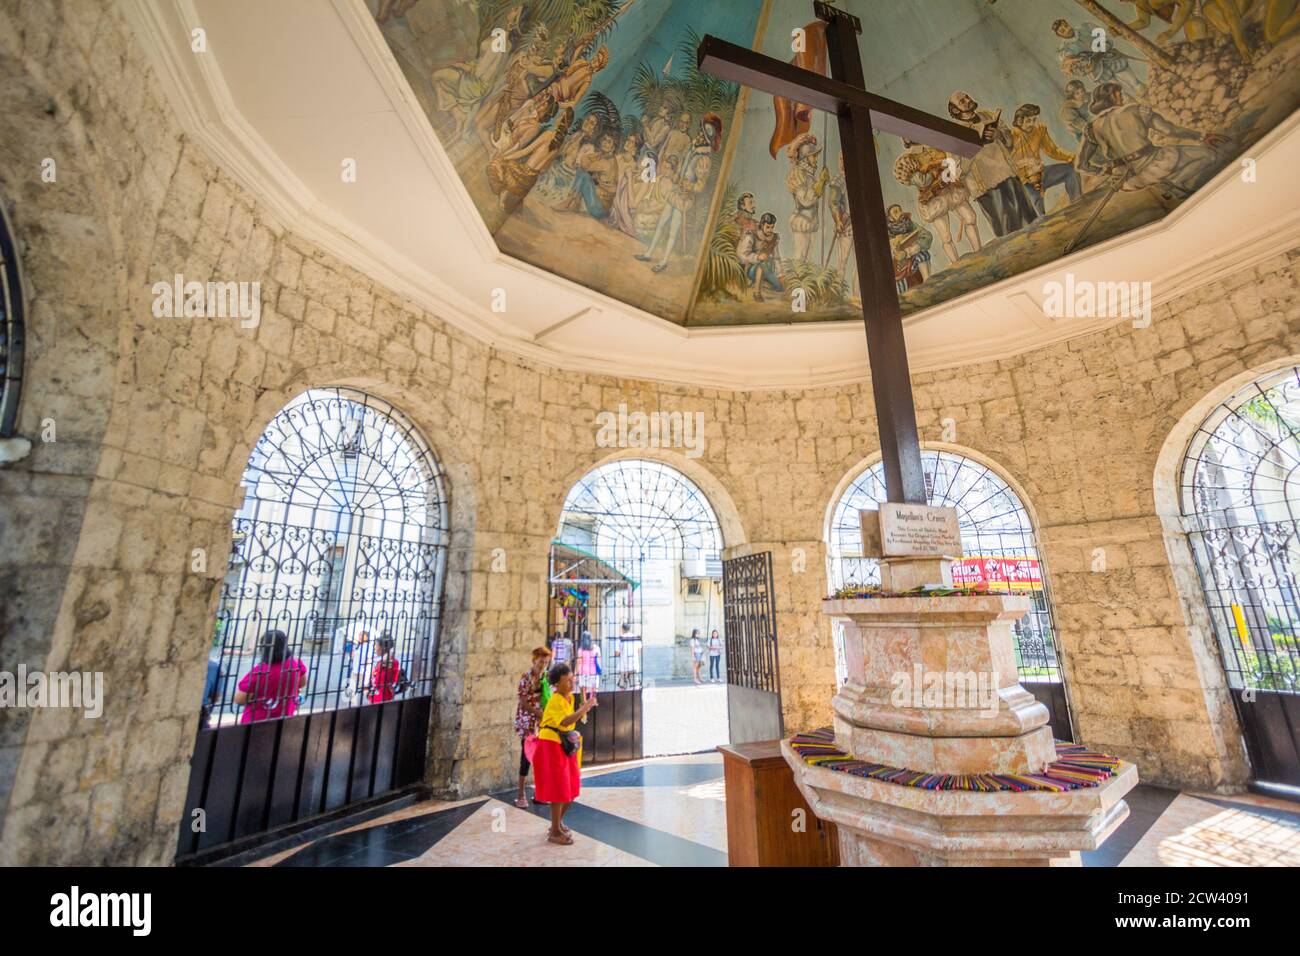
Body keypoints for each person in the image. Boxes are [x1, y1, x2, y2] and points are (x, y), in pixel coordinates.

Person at [534, 662, 598, 846]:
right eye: (567, 680)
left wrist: (581, 709)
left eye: (572, 679)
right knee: (560, 788)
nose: (572, 683)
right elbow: (564, 722)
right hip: (551, 744)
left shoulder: (568, 699)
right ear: (557, 684)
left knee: (572, 785)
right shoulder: (555, 700)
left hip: (564, 745)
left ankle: (557, 823)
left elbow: (569, 724)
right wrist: (584, 708)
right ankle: (554, 831)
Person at [1010, 103, 1081, 216]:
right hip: (1025, 182)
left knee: (1070, 170)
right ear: (1019, 121)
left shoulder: (1039, 130)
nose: (1032, 124)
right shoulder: (1011, 136)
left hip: (1042, 174)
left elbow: (1052, 151)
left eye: (1034, 120)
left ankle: (1079, 206)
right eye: (1028, 121)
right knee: (1039, 217)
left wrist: (1071, 157)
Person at [233, 630, 307, 724]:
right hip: (285, 717)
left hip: (256, 722)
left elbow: (240, 699)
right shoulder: (296, 663)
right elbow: (302, 683)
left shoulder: (259, 671)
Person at [514, 646, 551, 809]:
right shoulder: (526, 678)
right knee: (526, 758)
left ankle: (540, 794)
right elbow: (522, 702)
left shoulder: (545, 677)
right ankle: (521, 795)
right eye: (541, 661)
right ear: (534, 660)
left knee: (540, 757)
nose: (543, 665)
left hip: (540, 722)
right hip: (527, 721)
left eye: (546, 662)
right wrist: (536, 711)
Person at [368, 635, 402, 704]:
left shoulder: (389, 662)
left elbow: (380, 681)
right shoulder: (383, 661)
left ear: (383, 648)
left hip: (382, 696)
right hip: (379, 695)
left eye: (376, 645)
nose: (375, 647)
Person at [614, 622, 640, 689]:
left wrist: (622, 653)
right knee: (635, 686)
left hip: (623, 666)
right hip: (634, 665)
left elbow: (617, 653)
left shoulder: (620, 638)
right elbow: (639, 651)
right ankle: (635, 698)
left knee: (622, 686)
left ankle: (622, 699)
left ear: (622, 629)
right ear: (629, 629)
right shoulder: (635, 637)